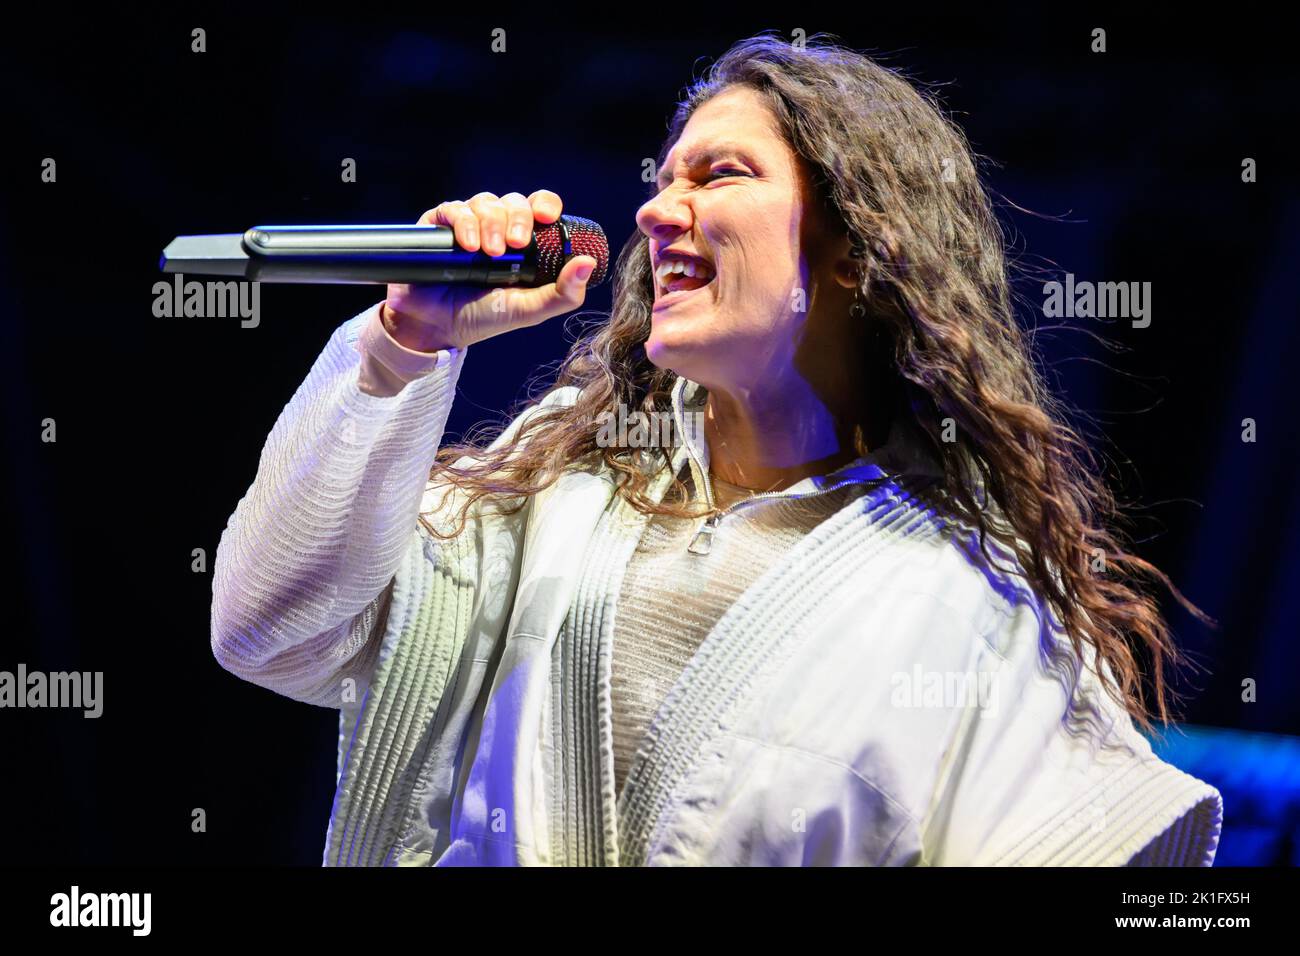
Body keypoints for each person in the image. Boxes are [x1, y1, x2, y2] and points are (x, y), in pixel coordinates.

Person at [210, 33, 1223, 866]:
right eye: (661, 177)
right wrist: (404, 344)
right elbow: (268, 629)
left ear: (856, 246)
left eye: (718, 173)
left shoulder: (969, 608)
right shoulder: (545, 491)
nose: (655, 207)